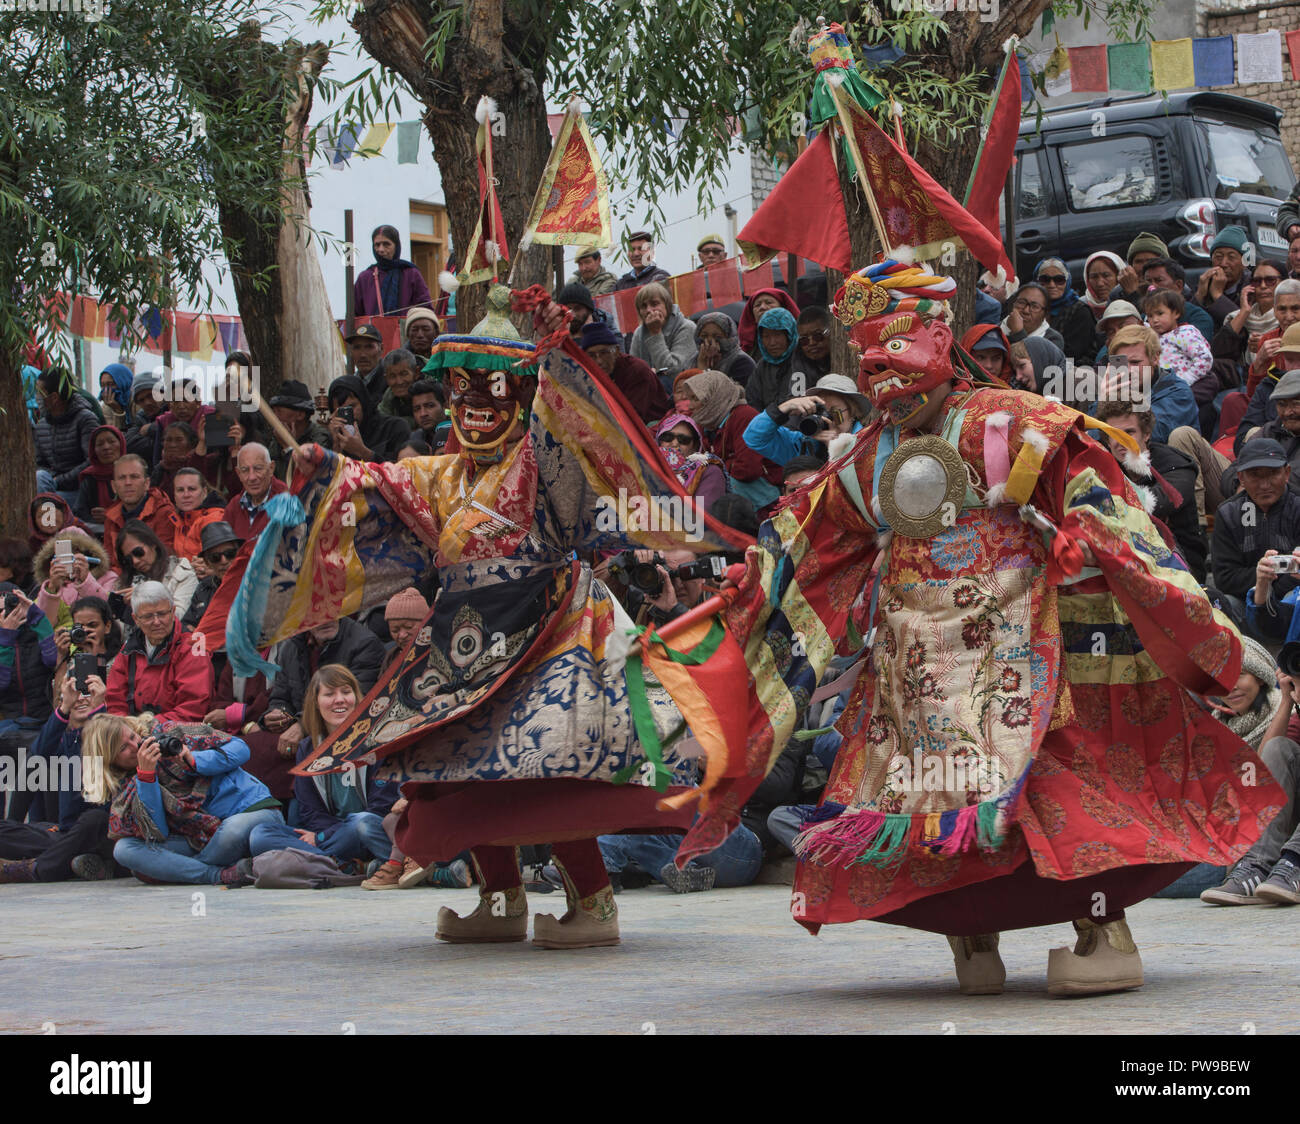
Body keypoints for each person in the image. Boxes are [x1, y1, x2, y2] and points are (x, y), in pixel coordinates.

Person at [681, 257, 1283, 998]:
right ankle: (972, 942)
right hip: (916, 669)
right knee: (931, 806)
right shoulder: (872, 453)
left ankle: (1104, 932)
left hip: (1022, 649)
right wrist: (753, 581)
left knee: (1057, 788)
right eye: (867, 361)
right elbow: (810, 536)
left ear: (939, 338)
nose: (880, 376)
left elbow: (1103, 500)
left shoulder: (1012, 420)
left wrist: (1085, 539)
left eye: (894, 351)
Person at [221, 285, 750, 949]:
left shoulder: (537, 461)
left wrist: (556, 354)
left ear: (517, 401)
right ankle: (500, 900)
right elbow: (381, 483)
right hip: (463, 641)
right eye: (462, 399)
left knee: (544, 769)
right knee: (450, 766)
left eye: (490, 397)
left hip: (546, 630)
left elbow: (570, 430)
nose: (474, 412)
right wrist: (324, 464)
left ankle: (595, 902)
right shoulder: (444, 476)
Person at [90, 713, 284, 887]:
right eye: (124, 748)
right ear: (110, 759)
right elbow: (157, 832)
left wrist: (195, 760)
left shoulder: (170, 732)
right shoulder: (124, 786)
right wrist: (146, 777)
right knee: (124, 849)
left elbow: (241, 749)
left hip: (250, 812)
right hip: (197, 838)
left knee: (231, 831)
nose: (136, 746)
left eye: (132, 737)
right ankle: (218, 874)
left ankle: (174, 872)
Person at [256, 666, 399, 864]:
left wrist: (322, 837)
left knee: (361, 824)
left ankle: (318, 860)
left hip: (366, 829)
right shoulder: (308, 748)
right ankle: (335, 862)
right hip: (330, 835)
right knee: (261, 834)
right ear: (316, 703)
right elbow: (310, 811)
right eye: (329, 694)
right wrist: (325, 835)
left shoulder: (378, 741)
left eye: (346, 692)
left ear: (357, 698)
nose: (339, 699)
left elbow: (381, 807)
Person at [1196, 639, 1299, 903]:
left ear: (1262, 677)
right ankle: (1257, 866)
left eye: (1238, 674)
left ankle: (1287, 864)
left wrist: (1286, 702)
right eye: (1220, 678)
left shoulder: (1278, 710)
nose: (1229, 687)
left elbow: (1257, 775)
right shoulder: (1215, 726)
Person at [1094, 398, 1207, 581]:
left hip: (1181, 567)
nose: (1120, 441)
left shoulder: (1176, 465)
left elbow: (1156, 504)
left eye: (1129, 432)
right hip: (1124, 562)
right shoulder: (1103, 468)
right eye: (1113, 434)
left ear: (1146, 434)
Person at [262, 617, 387, 758]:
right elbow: (280, 696)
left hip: (345, 733)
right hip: (297, 730)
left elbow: (358, 700)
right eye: (317, 614)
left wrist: (303, 726)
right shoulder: (291, 646)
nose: (326, 620)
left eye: (332, 611)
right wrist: (279, 714)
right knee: (257, 749)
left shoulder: (364, 643)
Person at [1210, 439, 1300, 628]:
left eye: (1273, 473)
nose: (1265, 484)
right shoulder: (1229, 514)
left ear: (1287, 473)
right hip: (1245, 601)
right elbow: (1224, 577)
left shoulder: (1298, 507)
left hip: (1293, 599)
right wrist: (1261, 578)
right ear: (1241, 478)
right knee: (1221, 605)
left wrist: (1272, 582)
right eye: (1255, 476)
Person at [104, 579, 211, 725]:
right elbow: (114, 699)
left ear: (173, 611)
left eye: (162, 614)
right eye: (148, 616)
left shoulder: (192, 646)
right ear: (136, 619)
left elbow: (194, 707)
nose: (156, 622)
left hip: (179, 734)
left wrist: (147, 726)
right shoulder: (129, 649)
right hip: (131, 731)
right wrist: (126, 726)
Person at [676, 368, 781, 509]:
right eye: (690, 399)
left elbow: (748, 470)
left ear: (714, 396)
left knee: (711, 482)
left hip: (764, 493)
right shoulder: (707, 422)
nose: (691, 405)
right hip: (734, 486)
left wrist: (717, 466)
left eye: (696, 398)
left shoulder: (744, 416)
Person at [742, 372, 869, 467]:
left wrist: (837, 449)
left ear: (853, 413)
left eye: (835, 413)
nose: (827, 419)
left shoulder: (867, 443)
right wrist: (782, 408)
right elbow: (754, 438)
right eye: (821, 411)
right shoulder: (803, 445)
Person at [1104, 324, 1198, 444]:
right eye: (1120, 363)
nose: (1127, 370)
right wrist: (1105, 400)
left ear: (1155, 358)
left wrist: (1108, 403)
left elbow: (1145, 435)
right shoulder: (1112, 387)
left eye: (1135, 362)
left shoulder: (1179, 393)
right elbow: (1089, 433)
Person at [577, 321, 670, 424]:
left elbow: (632, 416)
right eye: (591, 355)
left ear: (616, 351)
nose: (599, 361)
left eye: (604, 353)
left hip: (654, 425)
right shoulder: (586, 373)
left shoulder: (636, 370)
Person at [34, 368, 100, 510]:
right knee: (39, 478)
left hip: (79, 491)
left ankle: (48, 526)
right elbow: (40, 463)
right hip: (51, 487)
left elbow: (92, 460)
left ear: (54, 397)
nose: (36, 397)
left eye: (39, 393)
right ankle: (47, 526)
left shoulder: (85, 419)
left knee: (48, 504)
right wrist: (52, 480)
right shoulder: (42, 425)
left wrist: (60, 480)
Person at [0, 585, 57, 748]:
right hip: (10, 723)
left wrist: (36, 615)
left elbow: (52, 660)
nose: (7, 614)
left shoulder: (37, 631)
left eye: (11, 607)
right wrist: (5, 639)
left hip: (44, 719)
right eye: (1, 611)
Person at [112, 521, 198, 626]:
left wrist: (145, 598)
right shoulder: (122, 584)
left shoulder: (182, 571)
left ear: (152, 544)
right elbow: (116, 630)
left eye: (138, 552)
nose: (135, 561)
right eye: (128, 559)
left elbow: (178, 617)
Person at [102, 455, 177, 572]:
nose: (128, 483)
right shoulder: (110, 517)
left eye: (134, 477)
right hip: (122, 581)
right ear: (114, 486)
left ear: (147, 483)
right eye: (122, 478)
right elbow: (111, 564)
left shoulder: (164, 512)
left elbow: (164, 558)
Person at [1235, 325, 1300, 456]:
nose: (1294, 368)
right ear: (1282, 359)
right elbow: (1240, 441)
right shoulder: (1268, 385)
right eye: (1289, 360)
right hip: (1266, 463)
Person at [50, 595, 122, 701]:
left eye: (92, 625)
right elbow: (58, 701)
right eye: (80, 627)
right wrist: (61, 656)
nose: (86, 631)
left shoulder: (120, 659)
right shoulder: (73, 661)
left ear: (107, 627)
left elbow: (106, 698)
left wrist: (96, 658)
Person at [326, 374, 411, 465]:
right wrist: (335, 447)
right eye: (341, 411)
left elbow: (401, 473)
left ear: (363, 403)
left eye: (351, 407)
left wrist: (362, 451)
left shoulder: (394, 428)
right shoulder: (334, 436)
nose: (348, 415)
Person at [353, 224, 435, 318]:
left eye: (386, 244)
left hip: (405, 331)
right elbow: (355, 314)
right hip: (372, 332)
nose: (381, 249)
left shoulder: (411, 274)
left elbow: (425, 310)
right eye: (377, 245)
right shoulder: (365, 277)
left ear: (396, 246)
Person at [32, 529, 114, 622]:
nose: (71, 558)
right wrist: (52, 588)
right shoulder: (47, 588)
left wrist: (85, 581)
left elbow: (110, 612)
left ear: (88, 554)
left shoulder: (109, 578)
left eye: (77, 551)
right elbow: (43, 624)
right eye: (65, 554)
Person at [1145, 289, 1213, 396]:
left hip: (1185, 388)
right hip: (1160, 390)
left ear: (1176, 313)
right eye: (1150, 315)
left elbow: (1204, 359)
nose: (1155, 320)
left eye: (1160, 313)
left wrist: (1187, 379)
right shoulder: (1151, 336)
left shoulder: (1185, 333)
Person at [628, 282, 697, 386]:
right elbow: (633, 370)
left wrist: (655, 333)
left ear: (667, 305)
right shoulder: (639, 332)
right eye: (643, 306)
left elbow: (674, 372)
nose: (649, 310)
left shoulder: (686, 327)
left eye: (654, 304)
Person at [655, 413, 727, 513]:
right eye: (668, 437)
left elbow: (702, 517)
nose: (674, 444)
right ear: (659, 440)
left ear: (695, 446)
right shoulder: (649, 465)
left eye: (683, 440)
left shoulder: (708, 471)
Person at [1035, 257, 1097, 366]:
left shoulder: (1080, 311)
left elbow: (1073, 352)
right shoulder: (1032, 308)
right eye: (1045, 280)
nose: (1052, 285)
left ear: (1067, 281)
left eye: (1059, 280)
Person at [182, 522, 242, 632]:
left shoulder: (257, 582)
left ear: (240, 554)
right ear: (208, 563)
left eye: (230, 554)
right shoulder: (204, 589)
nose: (224, 561)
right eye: (215, 557)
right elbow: (186, 626)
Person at [265, 380, 331, 478]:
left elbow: (306, 477)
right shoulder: (277, 439)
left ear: (300, 415)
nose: (274, 417)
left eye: (279, 411)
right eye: (273, 412)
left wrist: (288, 447)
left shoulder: (319, 437)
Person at [223, 443, 289, 540]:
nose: (252, 477)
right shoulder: (234, 506)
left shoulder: (287, 502)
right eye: (245, 470)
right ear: (238, 474)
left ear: (271, 468)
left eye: (258, 468)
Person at [1195, 225, 1253, 331]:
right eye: (1218, 257)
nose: (1223, 263)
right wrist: (1199, 294)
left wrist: (1217, 295)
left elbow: (1243, 326)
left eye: (1231, 257)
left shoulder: (1250, 287)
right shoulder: (1205, 282)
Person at [1142, 257, 1214, 341]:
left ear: (1179, 285)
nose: (1152, 287)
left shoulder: (1199, 318)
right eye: (1148, 281)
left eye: (1159, 280)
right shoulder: (1143, 318)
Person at [745, 307, 800, 411]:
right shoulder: (762, 366)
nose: (772, 342)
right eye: (766, 336)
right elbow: (752, 400)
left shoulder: (801, 362)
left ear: (789, 335)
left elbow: (798, 402)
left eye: (777, 335)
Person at [170, 467, 226, 564]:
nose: (186, 495)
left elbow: (217, 562)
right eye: (180, 490)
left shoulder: (214, 519)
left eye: (191, 489)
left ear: (204, 492)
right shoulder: (178, 520)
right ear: (174, 496)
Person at [74, 425, 126, 525]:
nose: (106, 447)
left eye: (111, 442)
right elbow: (80, 512)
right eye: (100, 444)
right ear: (94, 450)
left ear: (121, 444)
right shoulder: (90, 477)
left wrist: (112, 516)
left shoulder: (131, 472)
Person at [694, 311, 755, 389]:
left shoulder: (742, 363)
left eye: (717, 337)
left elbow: (720, 396)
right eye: (704, 336)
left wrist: (703, 367)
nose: (709, 341)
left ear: (730, 338)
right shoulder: (694, 358)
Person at [1001, 282, 1066, 353]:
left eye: (1035, 306)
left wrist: (1018, 333)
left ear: (1045, 314)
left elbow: (1034, 361)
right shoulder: (996, 330)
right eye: (1021, 303)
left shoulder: (1052, 339)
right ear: (1013, 305)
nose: (1026, 311)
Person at [737, 287, 800, 357]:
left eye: (769, 303)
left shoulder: (802, 342)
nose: (762, 307)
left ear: (783, 308)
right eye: (757, 305)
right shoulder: (748, 346)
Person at [124, 373, 165, 465]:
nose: (147, 403)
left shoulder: (174, 410)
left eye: (151, 396)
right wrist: (158, 439)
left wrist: (150, 429)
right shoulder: (141, 417)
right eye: (141, 400)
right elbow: (128, 444)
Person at [376, 348, 421, 420]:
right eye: (392, 376)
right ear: (386, 378)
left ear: (416, 373)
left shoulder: (430, 388)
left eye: (404, 374)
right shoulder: (390, 395)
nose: (399, 382)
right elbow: (381, 421)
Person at [409, 379, 452, 451]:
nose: (423, 414)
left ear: (445, 405)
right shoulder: (415, 438)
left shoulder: (461, 434)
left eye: (430, 406)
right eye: (417, 409)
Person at [345, 324, 386, 399]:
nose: (362, 355)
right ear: (351, 351)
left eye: (369, 347)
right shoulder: (348, 385)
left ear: (381, 349)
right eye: (357, 347)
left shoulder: (390, 381)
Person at [1081, 251, 1124, 318]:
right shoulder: (1080, 307)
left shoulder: (1132, 301)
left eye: (1106, 275)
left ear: (1119, 276)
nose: (1100, 284)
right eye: (1094, 277)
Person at [97, 363, 135, 432]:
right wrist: (118, 411)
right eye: (103, 385)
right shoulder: (107, 406)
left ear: (123, 382)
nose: (106, 390)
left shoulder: (137, 401)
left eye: (110, 384)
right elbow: (115, 436)